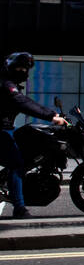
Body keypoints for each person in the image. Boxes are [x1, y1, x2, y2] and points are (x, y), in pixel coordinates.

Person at [0, 52, 66, 219]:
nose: (24, 72)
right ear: (11, 67)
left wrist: (51, 114)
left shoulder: (10, 83)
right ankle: (19, 208)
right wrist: (51, 116)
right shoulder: (6, 85)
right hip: (1, 130)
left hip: (7, 128)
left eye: (26, 68)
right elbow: (23, 103)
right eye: (21, 68)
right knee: (16, 165)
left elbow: (25, 101)